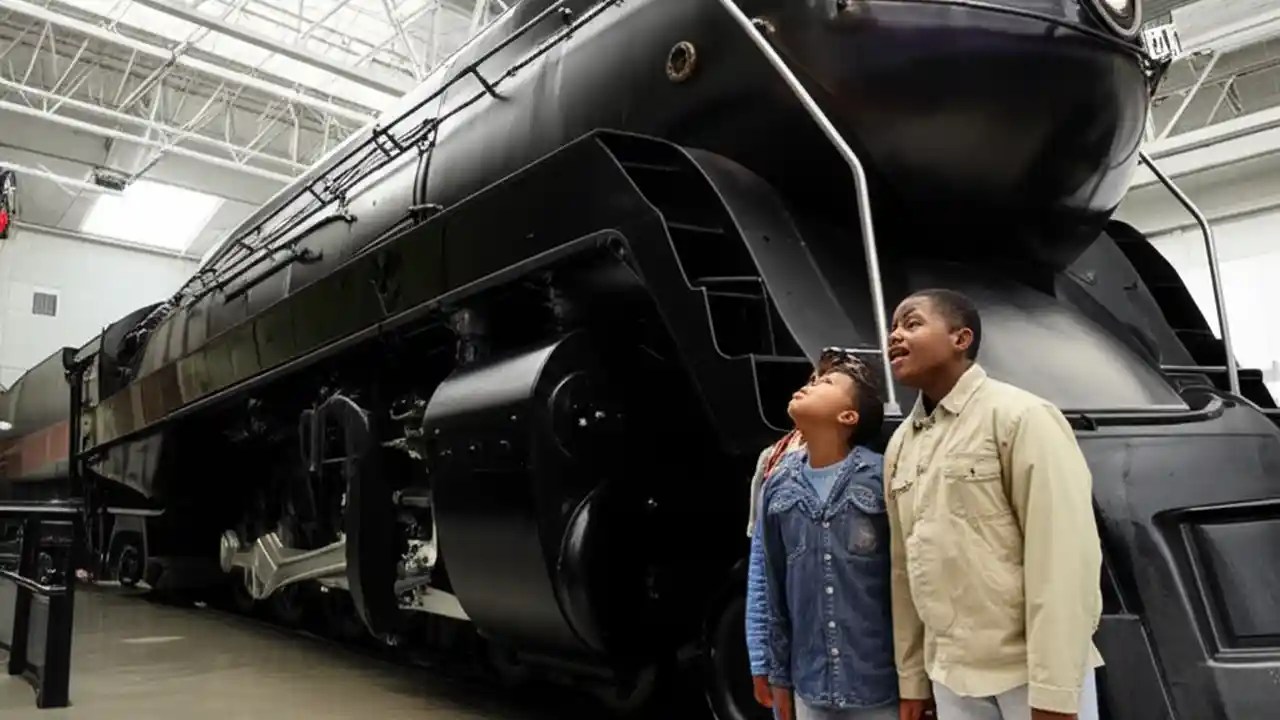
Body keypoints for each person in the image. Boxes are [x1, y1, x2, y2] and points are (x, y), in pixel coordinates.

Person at [882, 288, 1103, 720]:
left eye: (911, 323)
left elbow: (1062, 556)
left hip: (1028, 675)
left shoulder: (1021, 416)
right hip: (950, 679)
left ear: (960, 339)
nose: (894, 336)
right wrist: (912, 678)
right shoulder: (900, 446)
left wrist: (1055, 690)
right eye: (892, 327)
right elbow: (902, 568)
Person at [759, 358, 897, 720]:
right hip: (810, 687)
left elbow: (905, 584)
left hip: (878, 687)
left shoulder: (880, 478)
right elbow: (774, 588)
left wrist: (915, 680)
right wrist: (778, 675)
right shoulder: (777, 484)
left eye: (827, 383)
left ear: (848, 417)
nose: (810, 384)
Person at [745, 349, 862, 712]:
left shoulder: (868, 463)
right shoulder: (774, 462)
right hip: (800, 650)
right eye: (814, 378)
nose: (811, 386)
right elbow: (763, 568)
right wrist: (761, 655)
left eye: (827, 381)